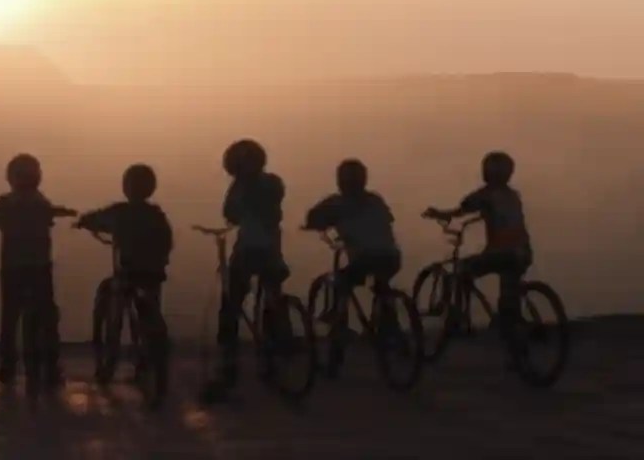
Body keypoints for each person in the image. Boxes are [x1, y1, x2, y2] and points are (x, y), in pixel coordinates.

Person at [0, 154, 76, 386]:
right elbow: (51, 214)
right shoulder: (40, 201)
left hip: (12, 268)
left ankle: (8, 366)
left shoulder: (6, 202)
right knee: (48, 316)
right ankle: (51, 367)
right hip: (40, 267)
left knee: (10, 318)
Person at [422, 151, 531, 363]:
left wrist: (438, 214)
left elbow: (460, 211)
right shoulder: (513, 196)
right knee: (509, 294)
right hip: (523, 253)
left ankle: (459, 319)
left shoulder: (485, 195)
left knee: (461, 271)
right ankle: (517, 343)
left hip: (500, 254)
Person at [206, 139, 288, 399]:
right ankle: (275, 351)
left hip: (248, 251)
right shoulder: (274, 183)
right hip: (273, 251)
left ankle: (228, 363)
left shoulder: (239, 187)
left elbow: (229, 214)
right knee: (272, 296)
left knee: (231, 303)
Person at [76, 164, 174, 379]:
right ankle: (150, 358)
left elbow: (96, 218)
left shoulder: (119, 212)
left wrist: (82, 222)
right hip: (153, 273)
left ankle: (109, 363)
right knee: (152, 308)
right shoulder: (157, 215)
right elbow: (167, 243)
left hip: (127, 273)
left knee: (113, 312)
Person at [304, 158, 401, 371]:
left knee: (341, 287)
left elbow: (313, 218)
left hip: (364, 259)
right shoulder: (375, 200)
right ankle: (394, 330)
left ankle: (339, 338)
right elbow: (387, 219)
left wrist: (315, 225)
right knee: (382, 285)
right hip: (391, 256)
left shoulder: (336, 203)